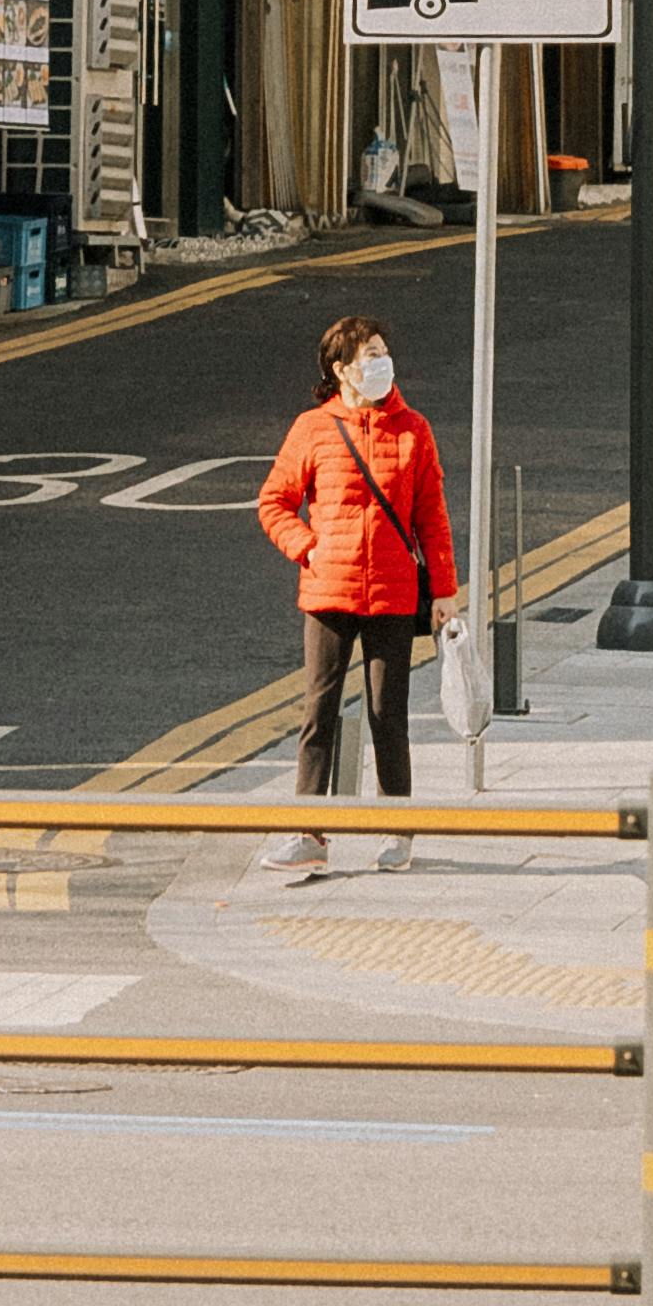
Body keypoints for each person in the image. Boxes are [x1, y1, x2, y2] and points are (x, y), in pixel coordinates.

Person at [254, 308, 456, 881]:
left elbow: (432, 519)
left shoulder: (413, 429)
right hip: (329, 590)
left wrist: (444, 592)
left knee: (387, 714)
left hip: (392, 594)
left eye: (382, 353)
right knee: (319, 712)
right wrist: (306, 547)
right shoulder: (312, 428)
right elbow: (273, 501)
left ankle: (397, 829)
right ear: (340, 369)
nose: (381, 363)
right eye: (369, 355)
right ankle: (309, 834)